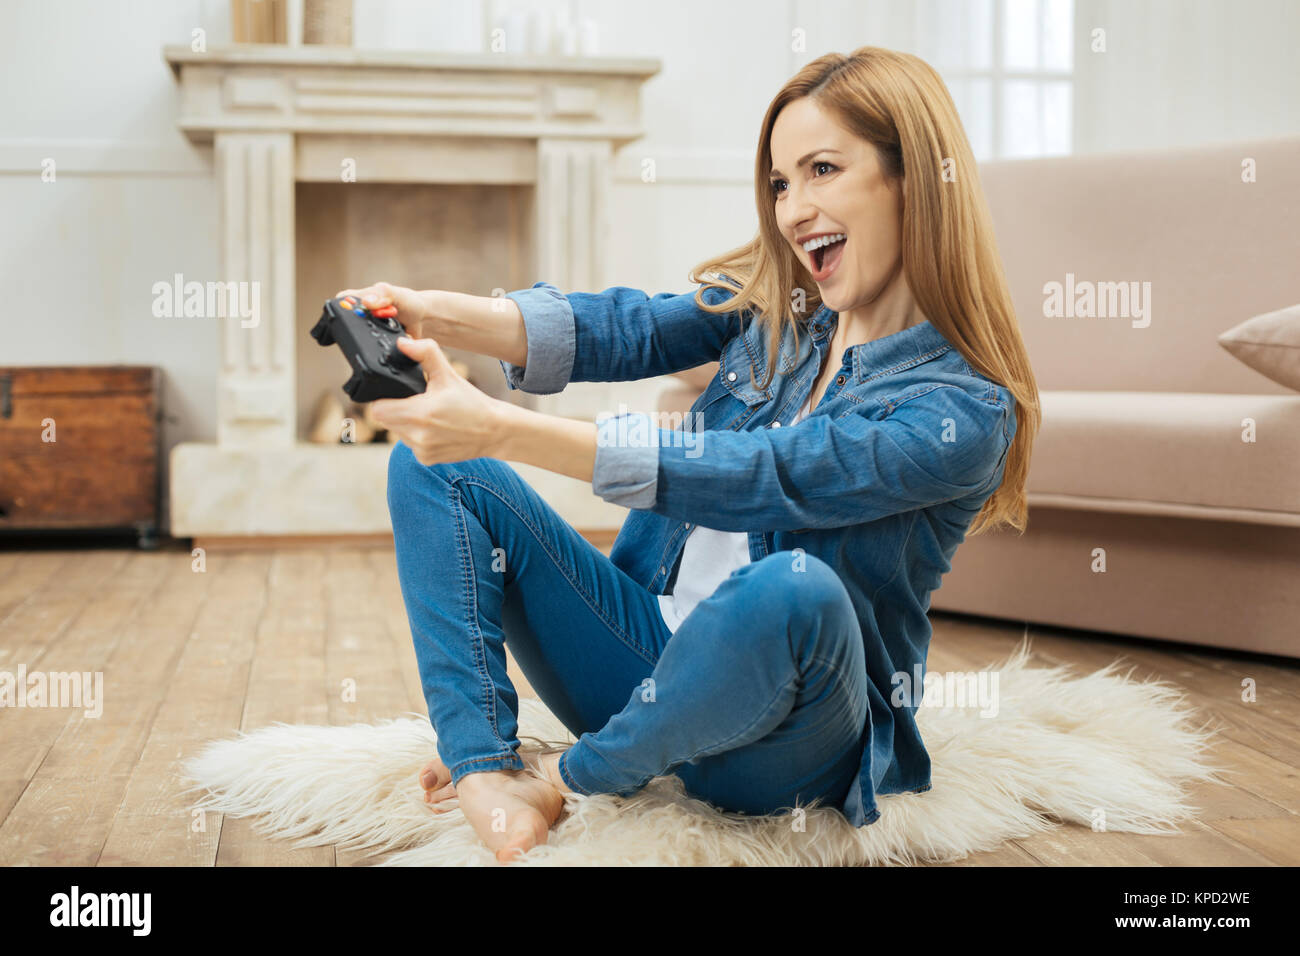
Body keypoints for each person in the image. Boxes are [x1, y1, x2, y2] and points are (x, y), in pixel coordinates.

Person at [341, 45, 1040, 864]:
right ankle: (485, 767)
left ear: (913, 180)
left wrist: (503, 427)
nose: (792, 209)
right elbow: (626, 326)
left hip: (791, 740)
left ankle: (568, 777)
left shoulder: (963, 408)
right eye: (781, 183)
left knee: (795, 590)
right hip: (640, 668)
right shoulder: (779, 314)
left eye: (822, 170)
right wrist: (432, 315)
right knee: (435, 463)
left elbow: (769, 478)